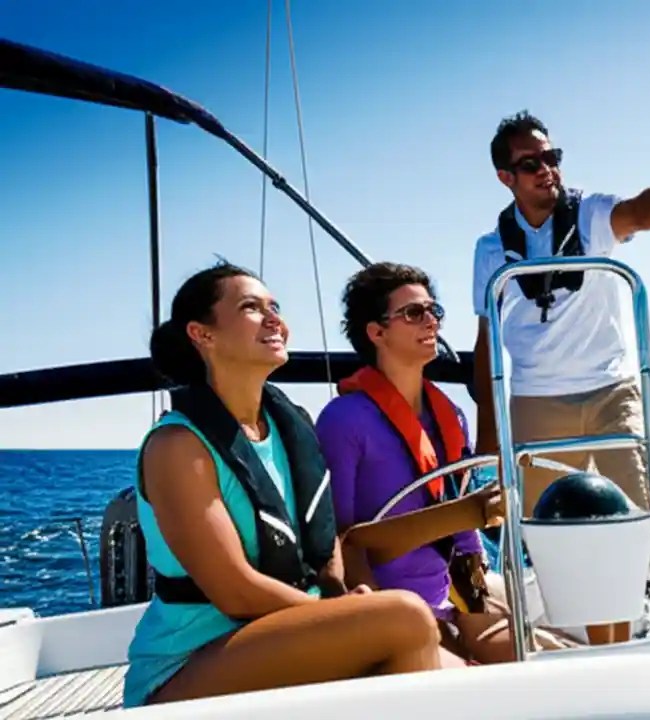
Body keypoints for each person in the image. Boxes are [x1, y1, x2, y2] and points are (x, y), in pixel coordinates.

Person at [123, 262, 449, 709]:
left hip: (288, 635)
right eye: (251, 307)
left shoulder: (290, 427)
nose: (274, 319)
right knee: (405, 618)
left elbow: (325, 542)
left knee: (453, 664)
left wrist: (343, 598)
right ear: (202, 334)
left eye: (274, 306)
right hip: (188, 664)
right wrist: (338, 614)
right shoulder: (178, 447)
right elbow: (234, 591)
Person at [470, 111, 650, 643]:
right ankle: (559, 635)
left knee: (642, 515)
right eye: (530, 163)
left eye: (552, 157)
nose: (547, 169)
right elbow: (486, 343)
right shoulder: (491, 249)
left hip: (610, 393)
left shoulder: (590, 216)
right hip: (535, 399)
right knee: (540, 530)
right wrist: (488, 444)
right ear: (506, 177)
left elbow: (638, 211)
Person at [316, 262, 562, 664]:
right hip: (392, 613)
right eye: (414, 313)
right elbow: (338, 543)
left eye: (434, 311)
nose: (431, 321)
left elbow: (463, 534)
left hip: (450, 600)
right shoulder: (343, 421)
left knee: (556, 659)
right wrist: (378, 627)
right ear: (376, 333)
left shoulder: (451, 417)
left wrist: (477, 613)